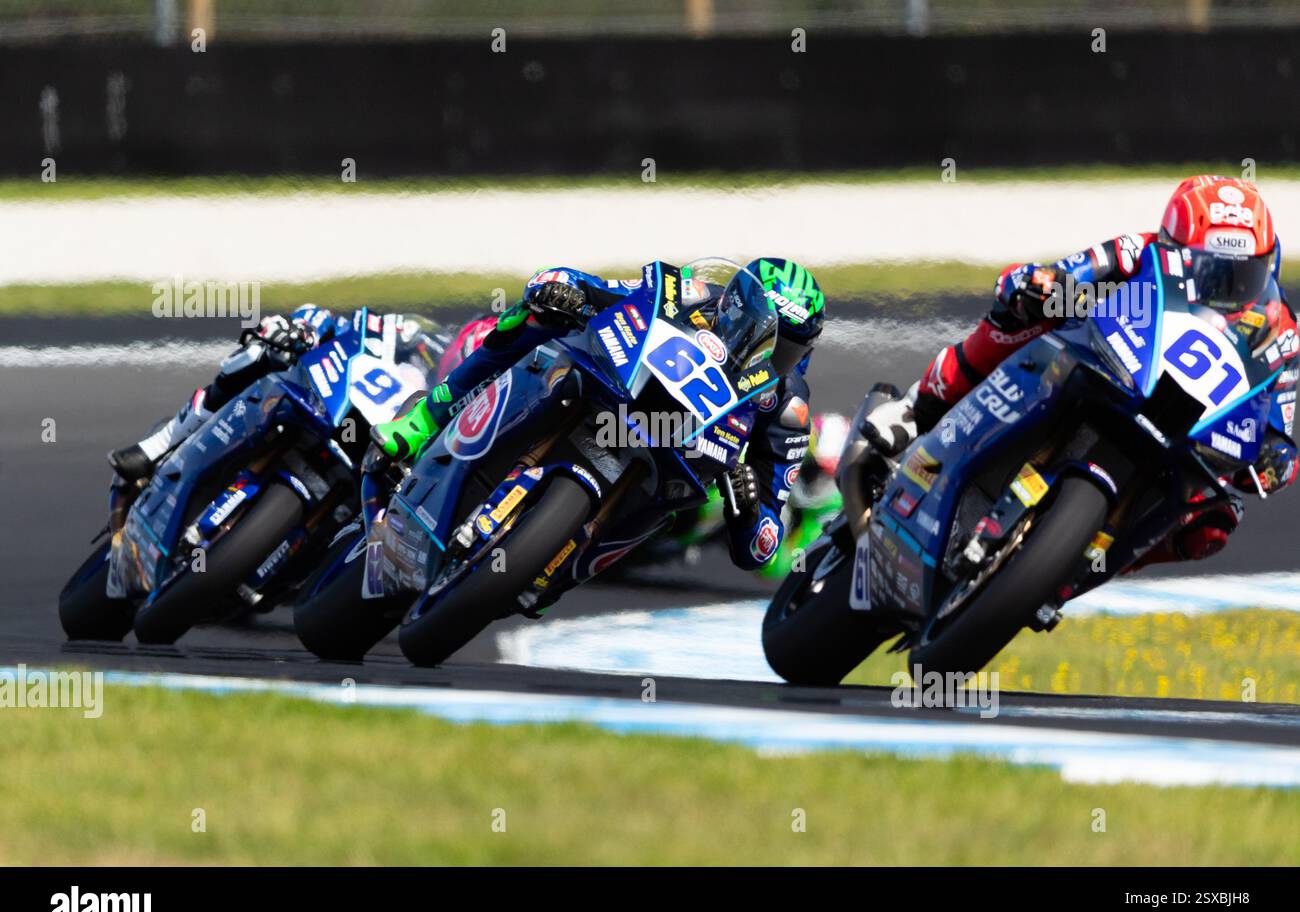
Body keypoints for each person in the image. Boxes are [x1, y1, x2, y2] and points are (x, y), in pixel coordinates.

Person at [862, 175, 1299, 566]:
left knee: (1216, 520)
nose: (1224, 285)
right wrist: (1039, 286)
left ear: (1268, 263)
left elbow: (1280, 425)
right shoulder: (1139, 252)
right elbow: (1062, 276)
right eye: (1210, 269)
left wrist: (1276, 456)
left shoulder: (1282, 330)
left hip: (1189, 431)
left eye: (1242, 273)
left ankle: (1077, 568)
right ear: (1174, 249)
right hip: (1112, 367)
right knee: (1027, 311)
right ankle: (918, 408)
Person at [370, 258, 827, 569]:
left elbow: (762, 549)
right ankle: (426, 420)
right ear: (734, 304)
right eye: (763, 330)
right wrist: (568, 290)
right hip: (617, 390)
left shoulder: (788, 407)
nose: (769, 351)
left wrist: (749, 510)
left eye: (785, 347)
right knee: (532, 317)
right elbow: (604, 289)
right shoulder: (690, 295)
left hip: (671, 465)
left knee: (664, 518)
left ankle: (557, 564)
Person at [108, 305, 467, 483]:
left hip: (375, 457)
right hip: (330, 405)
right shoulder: (425, 341)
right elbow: (357, 325)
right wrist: (305, 328)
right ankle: (162, 443)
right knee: (269, 349)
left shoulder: (469, 424)